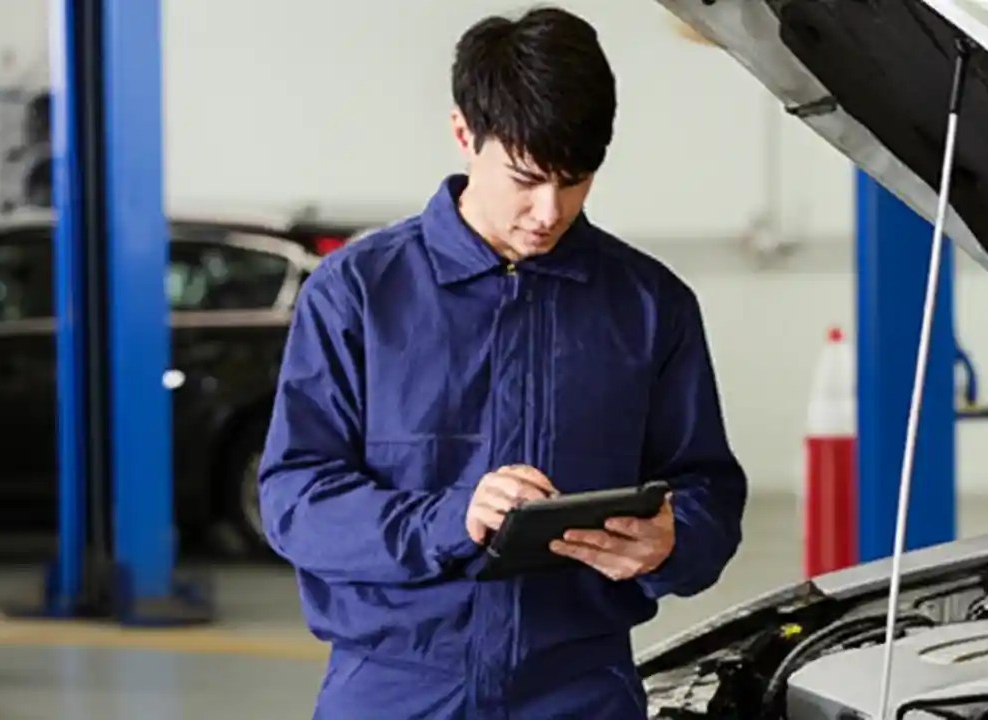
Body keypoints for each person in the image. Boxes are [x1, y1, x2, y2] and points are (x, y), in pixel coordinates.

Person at [258, 6, 747, 719]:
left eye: (575, 180)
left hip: (579, 689)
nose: (549, 210)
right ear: (465, 134)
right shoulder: (358, 294)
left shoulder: (649, 304)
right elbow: (296, 499)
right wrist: (450, 519)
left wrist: (674, 542)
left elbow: (707, 486)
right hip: (397, 689)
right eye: (525, 177)